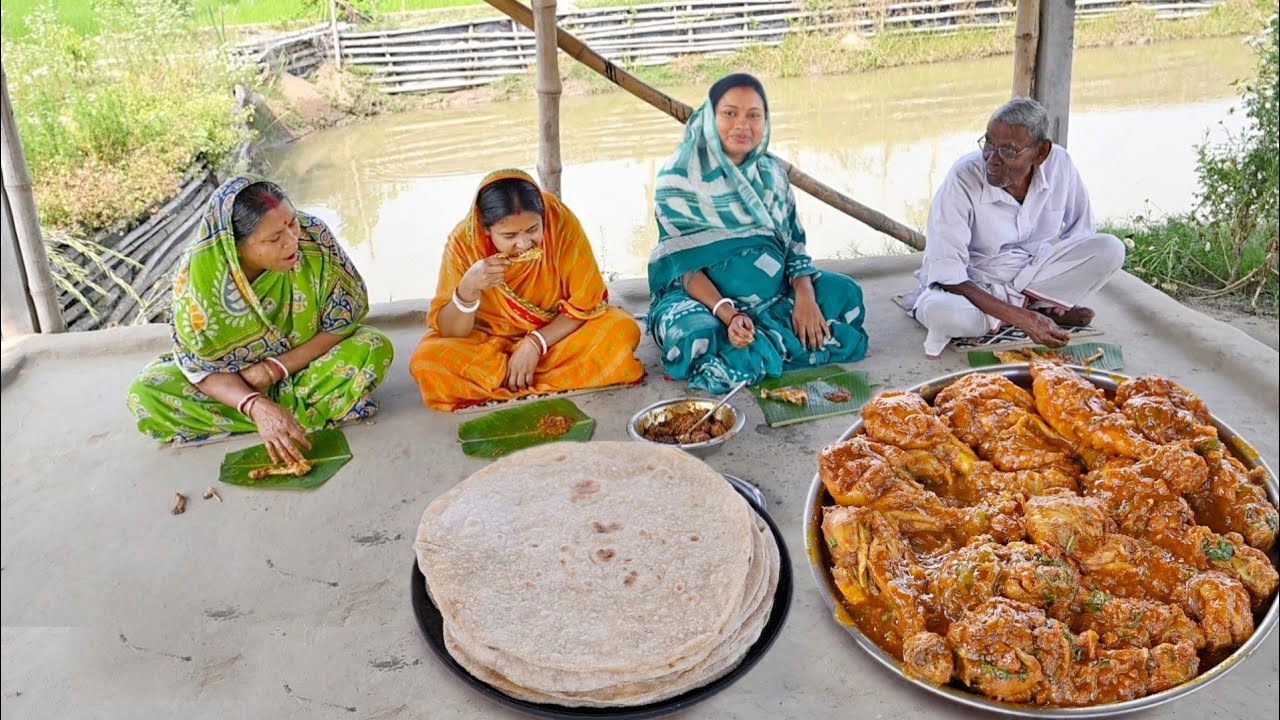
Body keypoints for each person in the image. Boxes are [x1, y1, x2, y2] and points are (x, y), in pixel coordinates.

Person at [126, 178, 393, 462]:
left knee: (372, 347)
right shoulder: (200, 278)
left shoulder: (313, 237)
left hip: (306, 367)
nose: (292, 241)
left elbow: (344, 321)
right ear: (235, 246)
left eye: (292, 223)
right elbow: (199, 367)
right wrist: (254, 404)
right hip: (235, 385)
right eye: (274, 238)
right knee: (145, 393)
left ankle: (281, 419)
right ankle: (288, 415)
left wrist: (273, 369)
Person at [646, 73, 869, 394]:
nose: (740, 130)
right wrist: (728, 314)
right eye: (727, 119)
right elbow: (686, 273)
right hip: (706, 299)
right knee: (691, 335)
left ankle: (757, 346)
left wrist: (805, 296)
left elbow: (794, 247)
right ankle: (770, 342)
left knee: (844, 293)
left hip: (775, 293)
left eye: (751, 118)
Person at [907, 97, 1127, 357]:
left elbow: (1081, 232)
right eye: (988, 143)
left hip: (1031, 274)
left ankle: (1038, 304)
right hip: (973, 284)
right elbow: (948, 273)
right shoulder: (963, 177)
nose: (992, 160)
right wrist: (1024, 319)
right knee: (943, 313)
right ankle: (1032, 309)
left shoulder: (1060, 164)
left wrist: (1068, 282)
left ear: (1041, 152)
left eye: (1009, 150)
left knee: (1111, 249)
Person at [410, 169, 644, 411]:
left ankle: (505, 379)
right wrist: (468, 287)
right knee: (427, 360)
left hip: (556, 337)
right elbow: (451, 332)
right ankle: (523, 373)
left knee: (621, 329)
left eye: (533, 230)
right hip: (488, 342)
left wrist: (535, 343)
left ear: (543, 216)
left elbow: (587, 303)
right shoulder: (463, 244)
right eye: (509, 235)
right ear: (485, 229)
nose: (523, 244)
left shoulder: (560, 221)